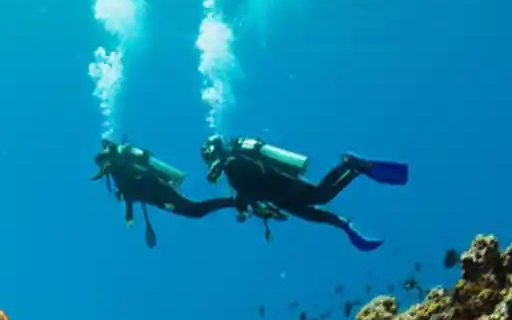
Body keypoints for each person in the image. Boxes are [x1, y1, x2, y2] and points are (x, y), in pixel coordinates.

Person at [199, 135, 409, 252]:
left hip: (281, 185)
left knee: (321, 196)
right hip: (280, 198)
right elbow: (249, 193)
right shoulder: (231, 170)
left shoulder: (233, 161)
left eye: (209, 156)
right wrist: (256, 210)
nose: (209, 162)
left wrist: (242, 203)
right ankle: (345, 215)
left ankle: (349, 166)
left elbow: (249, 181)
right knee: (318, 213)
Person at [93, 139, 238, 249]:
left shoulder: (119, 172)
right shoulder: (120, 171)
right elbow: (130, 191)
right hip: (158, 195)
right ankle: (231, 201)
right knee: (196, 211)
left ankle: (232, 201)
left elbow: (129, 192)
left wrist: (129, 216)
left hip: (159, 194)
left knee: (196, 211)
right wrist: (129, 215)